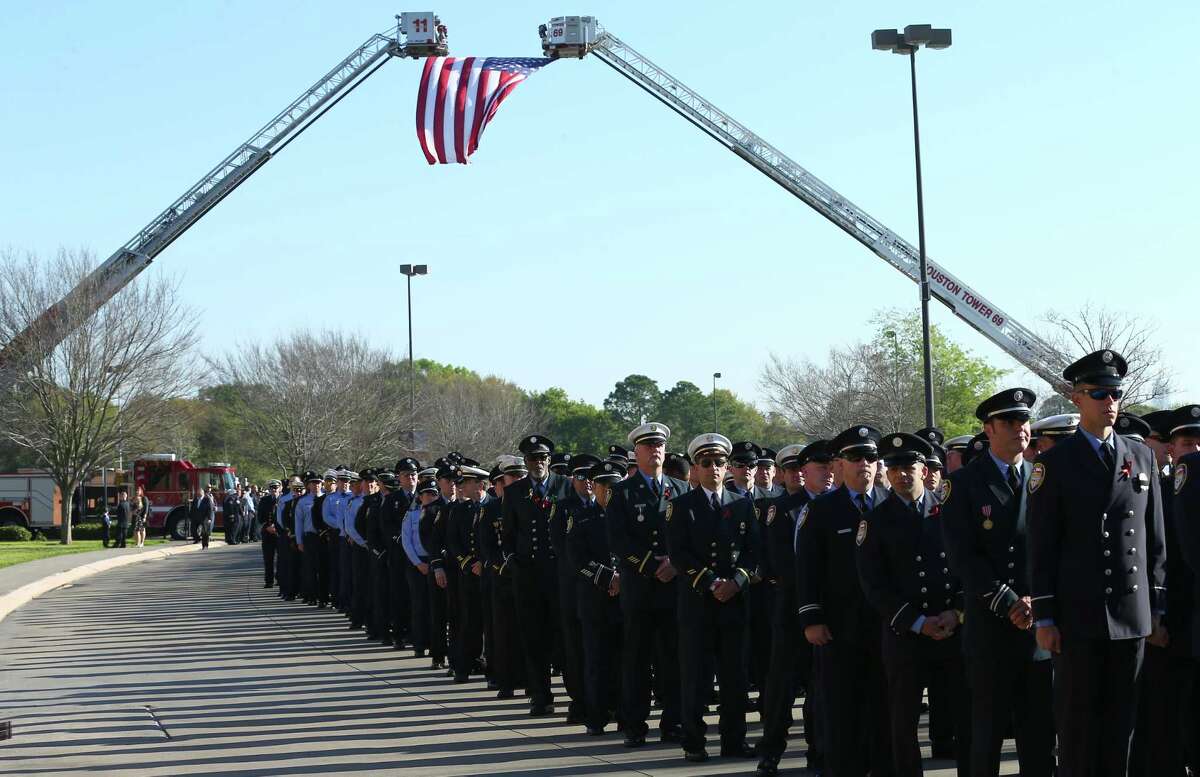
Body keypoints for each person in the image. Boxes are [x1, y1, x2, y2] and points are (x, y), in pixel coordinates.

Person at [1029, 350, 1166, 777]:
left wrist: (1156, 608)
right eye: (1099, 394)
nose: (1110, 402)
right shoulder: (1054, 463)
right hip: (1078, 616)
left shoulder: (1140, 456)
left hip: (1131, 612)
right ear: (1077, 398)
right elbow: (1042, 545)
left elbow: (1155, 540)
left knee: (1121, 726)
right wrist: (1045, 617)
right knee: (1078, 728)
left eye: (1115, 394)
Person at [940, 387, 1054, 777]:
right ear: (989, 429)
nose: (1020, 428)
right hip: (990, 628)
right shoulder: (963, 483)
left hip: (1038, 625)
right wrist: (1008, 602)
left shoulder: (1044, 477)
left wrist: (1037, 600)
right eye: (1009, 421)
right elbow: (962, 556)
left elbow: (1059, 546)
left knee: (1038, 735)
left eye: (1024, 420)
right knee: (985, 735)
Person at [857, 432, 969, 777]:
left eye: (909, 468)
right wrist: (917, 622)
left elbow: (970, 566)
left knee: (965, 717)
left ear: (924, 469)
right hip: (906, 634)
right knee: (903, 722)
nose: (902, 475)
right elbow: (874, 583)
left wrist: (957, 612)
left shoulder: (950, 510)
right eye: (894, 469)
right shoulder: (876, 520)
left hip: (952, 630)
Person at [796, 424, 892, 777]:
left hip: (886, 624)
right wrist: (811, 618)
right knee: (841, 711)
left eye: (870, 457)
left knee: (885, 709)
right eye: (854, 457)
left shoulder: (890, 503)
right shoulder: (821, 510)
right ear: (838, 464)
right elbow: (807, 569)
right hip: (839, 627)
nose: (863, 463)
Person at [667, 432, 759, 763]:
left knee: (735, 678)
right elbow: (678, 553)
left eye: (720, 462)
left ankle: (734, 739)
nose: (714, 468)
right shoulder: (681, 506)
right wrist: (709, 582)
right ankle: (694, 741)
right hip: (698, 604)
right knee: (696, 677)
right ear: (695, 468)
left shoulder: (742, 504)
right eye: (706, 463)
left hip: (734, 603)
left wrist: (737, 581)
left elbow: (753, 552)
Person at [607, 422, 690, 747]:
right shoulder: (622, 492)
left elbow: (690, 535)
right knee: (637, 659)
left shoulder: (680, 489)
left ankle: (673, 722)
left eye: (659, 445)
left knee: (673, 658)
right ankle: (635, 724)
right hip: (639, 588)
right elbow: (618, 540)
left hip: (673, 588)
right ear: (637, 452)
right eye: (648, 446)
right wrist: (651, 566)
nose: (655, 450)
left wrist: (675, 563)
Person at [756, 440, 833, 777]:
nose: (828, 473)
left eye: (831, 466)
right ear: (804, 471)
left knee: (821, 688)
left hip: (830, 612)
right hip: (792, 610)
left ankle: (819, 753)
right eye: (821, 467)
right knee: (782, 688)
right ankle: (770, 752)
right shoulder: (784, 509)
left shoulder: (837, 506)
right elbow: (782, 564)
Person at [501, 435, 572, 716]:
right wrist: (512, 561)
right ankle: (541, 695)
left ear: (549, 460)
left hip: (558, 573)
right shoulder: (514, 491)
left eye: (542, 458)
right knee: (533, 636)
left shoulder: (564, 485)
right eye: (533, 458)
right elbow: (508, 534)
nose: (538, 463)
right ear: (526, 461)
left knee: (564, 635)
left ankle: (577, 696)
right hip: (528, 574)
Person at [567, 457, 625, 735]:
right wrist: (608, 578)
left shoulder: (629, 515)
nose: (608, 491)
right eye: (603, 486)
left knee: (626, 660)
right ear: (595, 487)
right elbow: (576, 558)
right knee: (596, 661)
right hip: (594, 599)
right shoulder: (582, 518)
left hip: (626, 598)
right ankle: (596, 715)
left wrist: (623, 578)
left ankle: (626, 713)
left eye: (613, 486)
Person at [402, 476, 438, 660]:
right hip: (417, 563)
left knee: (435, 606)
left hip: (435, 562)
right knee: (419, 606)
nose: (430, 497)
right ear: (420, 496)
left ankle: (434, 644)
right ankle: (419, 644)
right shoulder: (411, 515)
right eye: (427, 494)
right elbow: (406, 541)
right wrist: (418, 563)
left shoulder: (439, 513)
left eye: (433, 494)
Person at [258, 480, 281, 588]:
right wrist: (267, 526)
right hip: (267, 532)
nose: (274, 490)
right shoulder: (264, 500)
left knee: (281, 558)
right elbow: (260, 517)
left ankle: (280, 579)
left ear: (279, 488)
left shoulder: (283, 499)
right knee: (268, 558)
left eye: (276, 487)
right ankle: (269, 580)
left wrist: (277, 527)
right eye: (272, 488)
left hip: (279, 532)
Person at [188, 484, 215, 549]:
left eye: (199, 493)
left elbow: (210, 509)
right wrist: (190, 516)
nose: (198, 495)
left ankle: (205, 545)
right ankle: (197, 539)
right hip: (196, 517)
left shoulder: (207, 499)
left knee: (204, 532)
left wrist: (209, 518)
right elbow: (192, 509)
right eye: (197, 493)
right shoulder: (196, 499)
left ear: (202, 493)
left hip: (204, 517)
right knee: (193, 529)